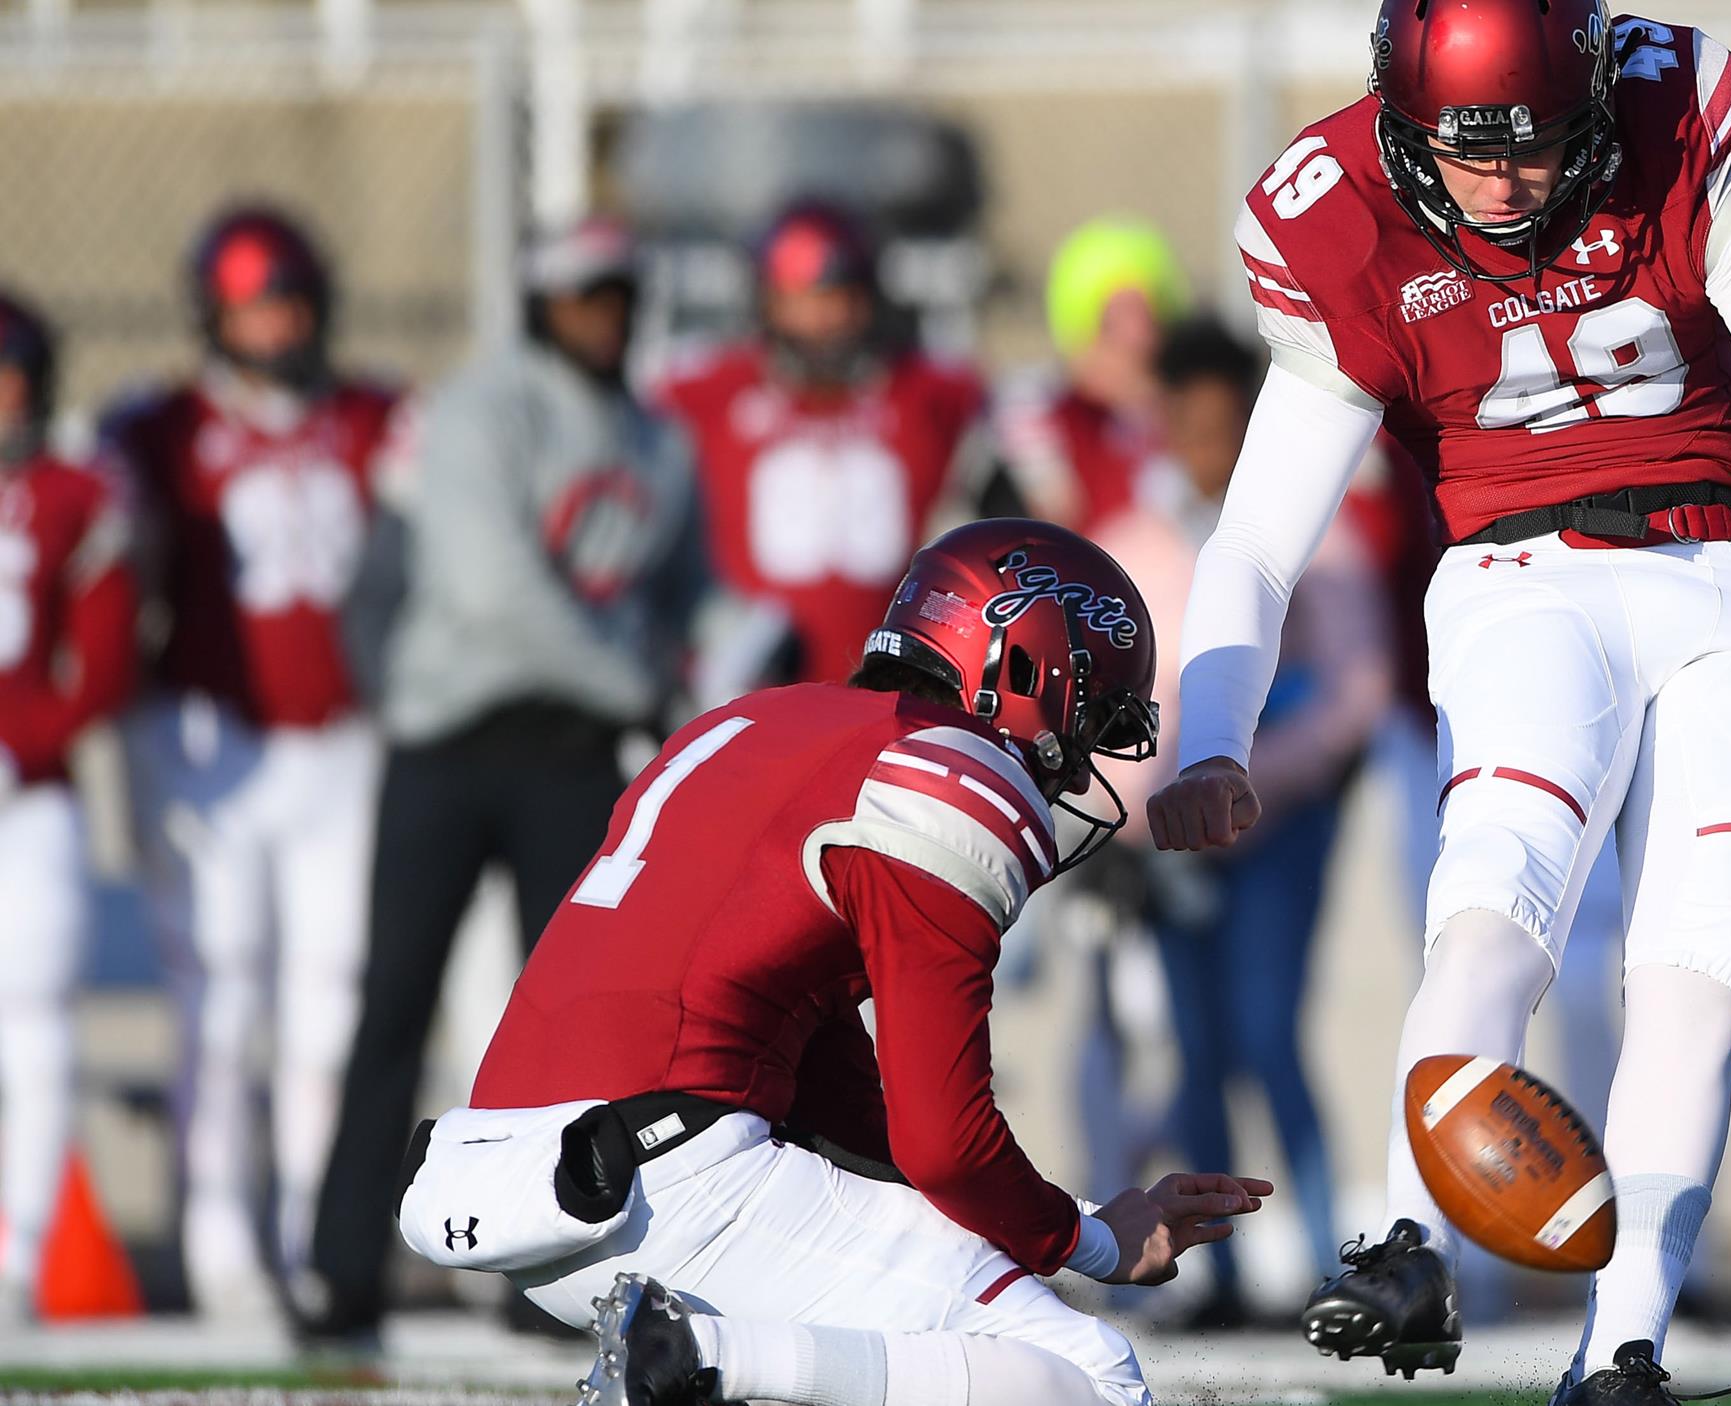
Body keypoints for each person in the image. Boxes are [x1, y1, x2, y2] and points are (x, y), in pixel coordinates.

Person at [1145, 5, 1731, 1397]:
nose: (1505, 185)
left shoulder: (1675, 119)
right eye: (1473, 152)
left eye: (1538, 148)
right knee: (1499, 893)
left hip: (1730, 577)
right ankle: (1401, 1240)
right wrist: (1210, 737)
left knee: (1703, 970)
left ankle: (1625, 1343)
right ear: (1405, 123)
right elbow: (1261, 535)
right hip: (1522, 583)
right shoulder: (1347, 220)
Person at [395, 519, 1264, 1406]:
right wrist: (1100, 1252)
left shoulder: (743, 721)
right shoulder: (947, 775)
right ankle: (693, 1360)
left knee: (880, 1361)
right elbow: (944, 1143)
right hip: (672, 1184)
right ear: (1025, 669)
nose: (1079, 777)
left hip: (520, 1176)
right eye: (1091, 726)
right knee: (1093, 1374)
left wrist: (1076, 1218)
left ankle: (694, 1360)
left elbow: (852, 1118)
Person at [301, 216, 708, 1341]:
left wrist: (744, 653)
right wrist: (637, 679)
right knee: (395, 1004)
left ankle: (551, 1277)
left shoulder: (661, 443)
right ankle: (343, 1270)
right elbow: (497, 593)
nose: (604, 315)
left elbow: (692, 598)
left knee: (568, 1029)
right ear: (539, 303)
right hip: (451, 745)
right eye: (582, 296)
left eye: (618, 294)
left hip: (571, 755)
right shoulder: (479, 408)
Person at [102, 207, 400, 1318]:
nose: (277, 326)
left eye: (290, 302)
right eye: (254, 306)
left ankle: (308, 1226)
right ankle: (219, 1228)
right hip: (205, 738)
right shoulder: (156, 425)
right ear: (212, 316)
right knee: (218, 999)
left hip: (339, 738)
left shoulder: (372, 412)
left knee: (329, 998)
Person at [1093, 320, 1393, 1326]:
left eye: (1225, 423)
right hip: (1167, 849)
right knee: (1196, 1046)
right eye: (1188, 422)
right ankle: (1215, 1271)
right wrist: (1137, 828)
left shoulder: (1315, 532)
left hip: (1275, 833)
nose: (1206, 443)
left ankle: (1329, 1261)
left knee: (1269, 1034)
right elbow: (1102, 712)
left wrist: (1248, 784)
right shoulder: (1125, 544)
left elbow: (1354, 689)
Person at [662, 197, 987, 690]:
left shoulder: (930, 396)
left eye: (836, 299)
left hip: (886, 687)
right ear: (767, 305)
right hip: (749, 687)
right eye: (799, 301)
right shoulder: (708, 397)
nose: (821, 321)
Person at [0, 291, 139, 1322]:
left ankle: (20, 1251)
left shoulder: (75, 490)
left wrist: (23, 741)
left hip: (28, 800)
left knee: (38, 1018)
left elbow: (102, 662)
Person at [994, 219, 1190, 533]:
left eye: (1148, 316)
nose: (1139, 338)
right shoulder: (1040, 414)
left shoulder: (1174, 418)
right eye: (1117, 320)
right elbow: (1053, 515)